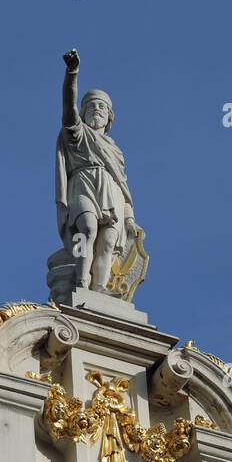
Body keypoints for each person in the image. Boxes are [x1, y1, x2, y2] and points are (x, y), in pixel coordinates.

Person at [56, 49, 137, 291]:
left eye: (102, 108)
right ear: (83, 113)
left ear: (109, 117)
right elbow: (68, 107)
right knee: (88, 229)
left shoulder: (116, 151)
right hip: (84, 183)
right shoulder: (77, 134)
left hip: (111, 191)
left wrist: (129, 218)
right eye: (91, 107)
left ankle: (99, 290)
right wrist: (72, 73)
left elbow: (123, 185)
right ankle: (82, 283)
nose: (97, 111)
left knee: (108, 242)